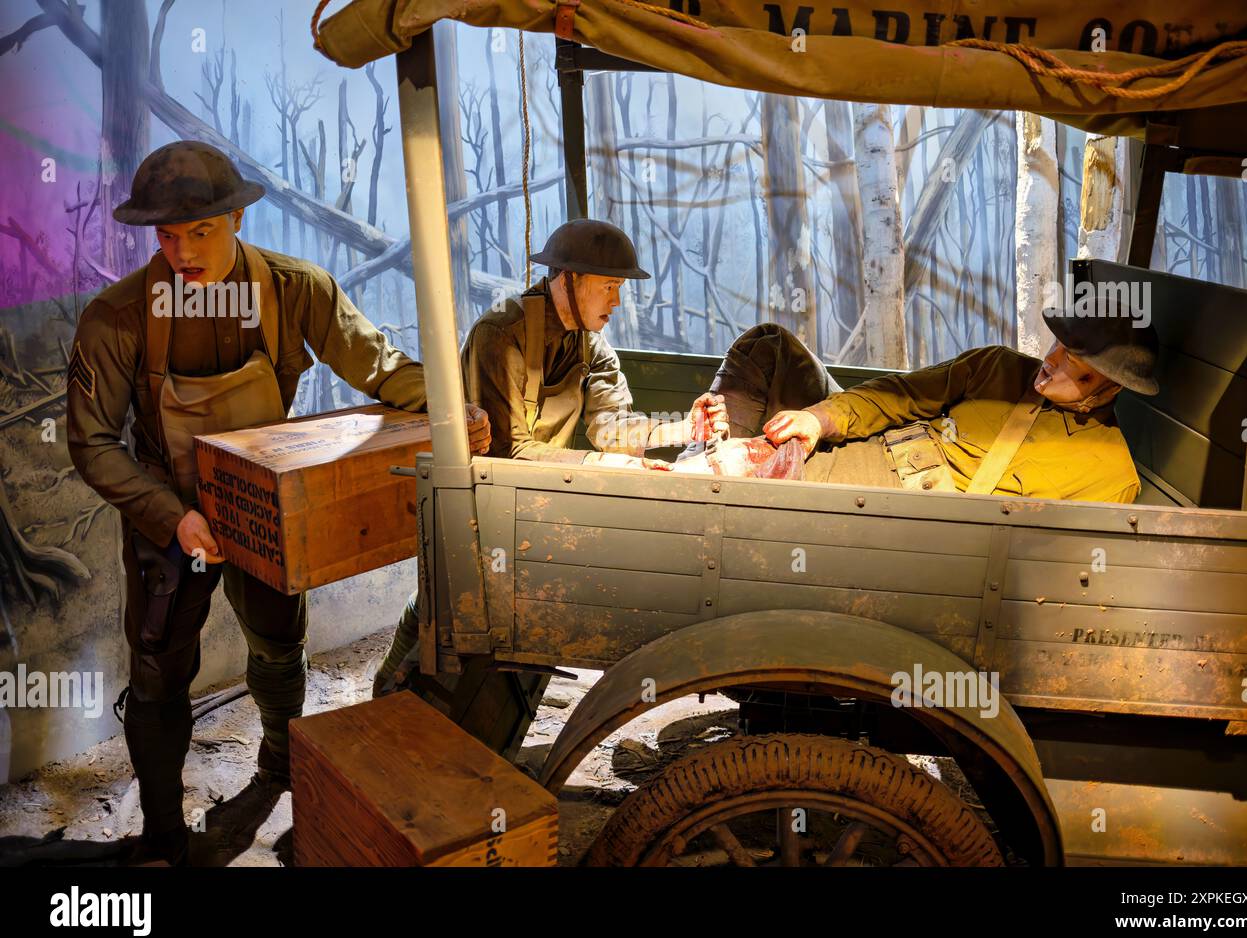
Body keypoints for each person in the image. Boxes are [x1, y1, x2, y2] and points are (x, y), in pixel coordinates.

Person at [66, 140, 490, 865]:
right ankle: (163, 830)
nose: (182, 252)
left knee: (278, 642)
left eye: (199, 231)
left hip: (265, 507)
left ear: (235, 218)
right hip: (167, 509)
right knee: (159, 667)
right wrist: (175, 518)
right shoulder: (117, 317)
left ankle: (278, 765)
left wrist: (454, 412)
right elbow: (92, 442)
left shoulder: (297, 289)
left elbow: (378, 365)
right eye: (166, 235)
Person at [371, 219, 728, 734]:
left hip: (536, 502)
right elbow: (507, 453)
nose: (616, 301)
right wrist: (602, 467)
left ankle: (475, 727)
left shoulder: (591, 343)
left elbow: (609, 428)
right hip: (481, 498)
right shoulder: (502, 333)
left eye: (619, 288)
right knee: (444, 603)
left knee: (515, 628)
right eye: (608, 287)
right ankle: (386, 707)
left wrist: (680, 427)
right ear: (567, 279)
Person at [694, 310, 1157, 503]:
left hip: (912, 505)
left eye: (1076, 368)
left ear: (1108, 390)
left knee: (746, 482)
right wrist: (820, 418)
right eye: (1057, 347)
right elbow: (903, 395)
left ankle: (689, 487)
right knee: (768, 344)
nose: (1050, 365)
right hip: (880, 442)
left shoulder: (1109, 476)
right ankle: (702, 459)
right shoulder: (999, 368)